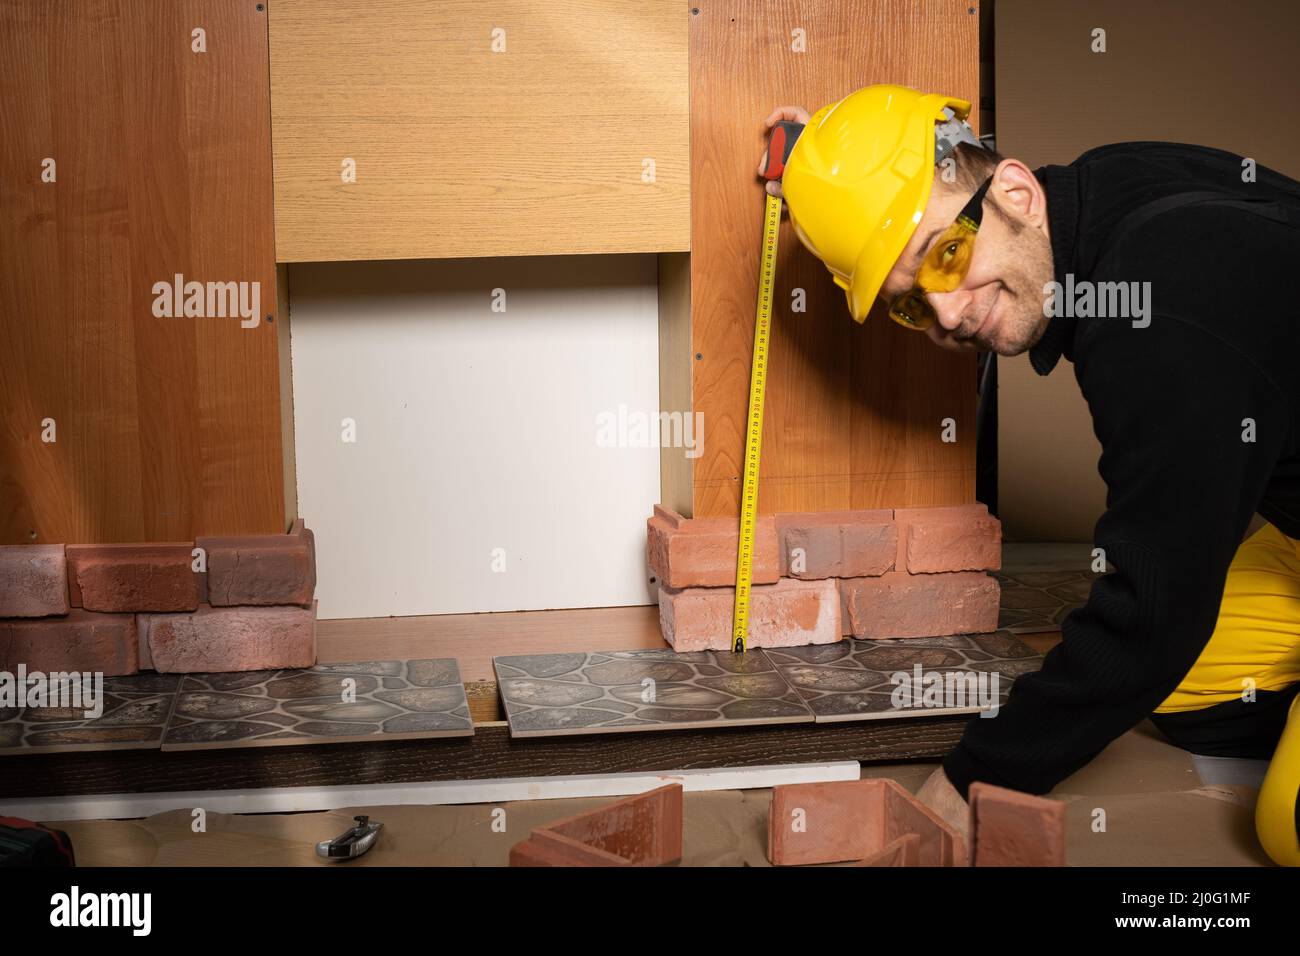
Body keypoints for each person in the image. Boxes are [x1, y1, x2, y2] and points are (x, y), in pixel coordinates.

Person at [761, 85, 1300, 865]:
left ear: (1013, 191)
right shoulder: (1095, 198)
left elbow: (1149, 620)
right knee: (1185, 691)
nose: (946, 318)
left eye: (945, 256)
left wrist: (966, 786)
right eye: (912, 305)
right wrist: (820, 163)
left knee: (1286, 824)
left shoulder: (1157, 315)